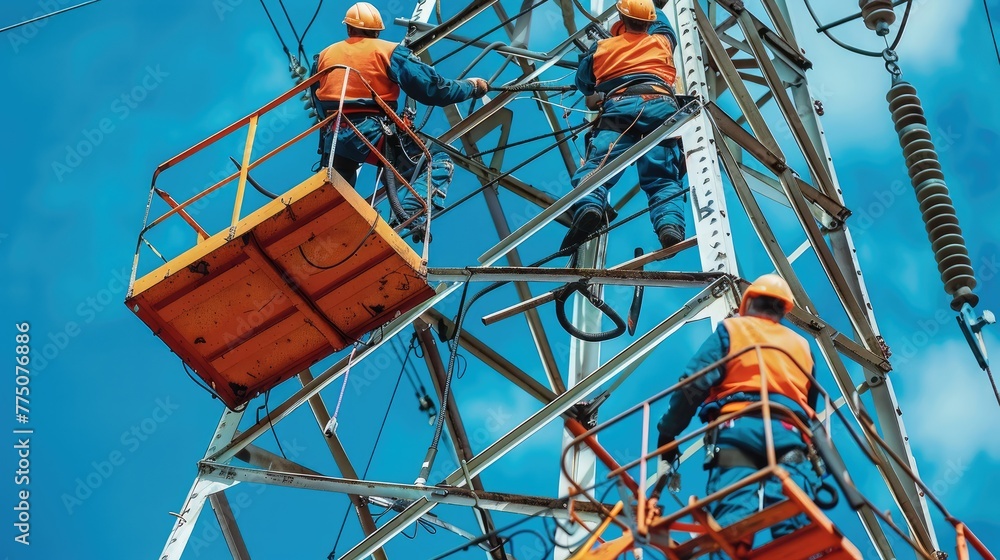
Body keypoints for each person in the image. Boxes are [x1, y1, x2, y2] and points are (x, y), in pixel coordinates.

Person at [655, 274, 821, 553]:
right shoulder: (802, 346)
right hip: (789, 436)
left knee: (732, 520)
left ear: (749, 302)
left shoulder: (732, 330)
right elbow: (810, 407)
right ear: (783, 309)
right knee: (793, 513)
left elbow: (694, 383)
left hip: (737, 430)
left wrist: (668, 433)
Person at [312, 2, 488, 239]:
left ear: (349, 30)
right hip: (373, 131)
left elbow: (318, 99)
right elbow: (434, 90)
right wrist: (472, 87)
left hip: (336, 135)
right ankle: (408, 216)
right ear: (377, 32)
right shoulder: (389, 51)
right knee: (437, 160)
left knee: (335, 193)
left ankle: (323, 230)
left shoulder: (324, 56)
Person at [561, 0, 687, 251]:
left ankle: (590, 207)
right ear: (650, 21)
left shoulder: (602, 48)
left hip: (620, 108)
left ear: (621, 19)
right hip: (661, 106)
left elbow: (585, 85)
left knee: (599, 166)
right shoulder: (662, 41)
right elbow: (662, 24)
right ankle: (669, 226)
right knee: (662, 177)